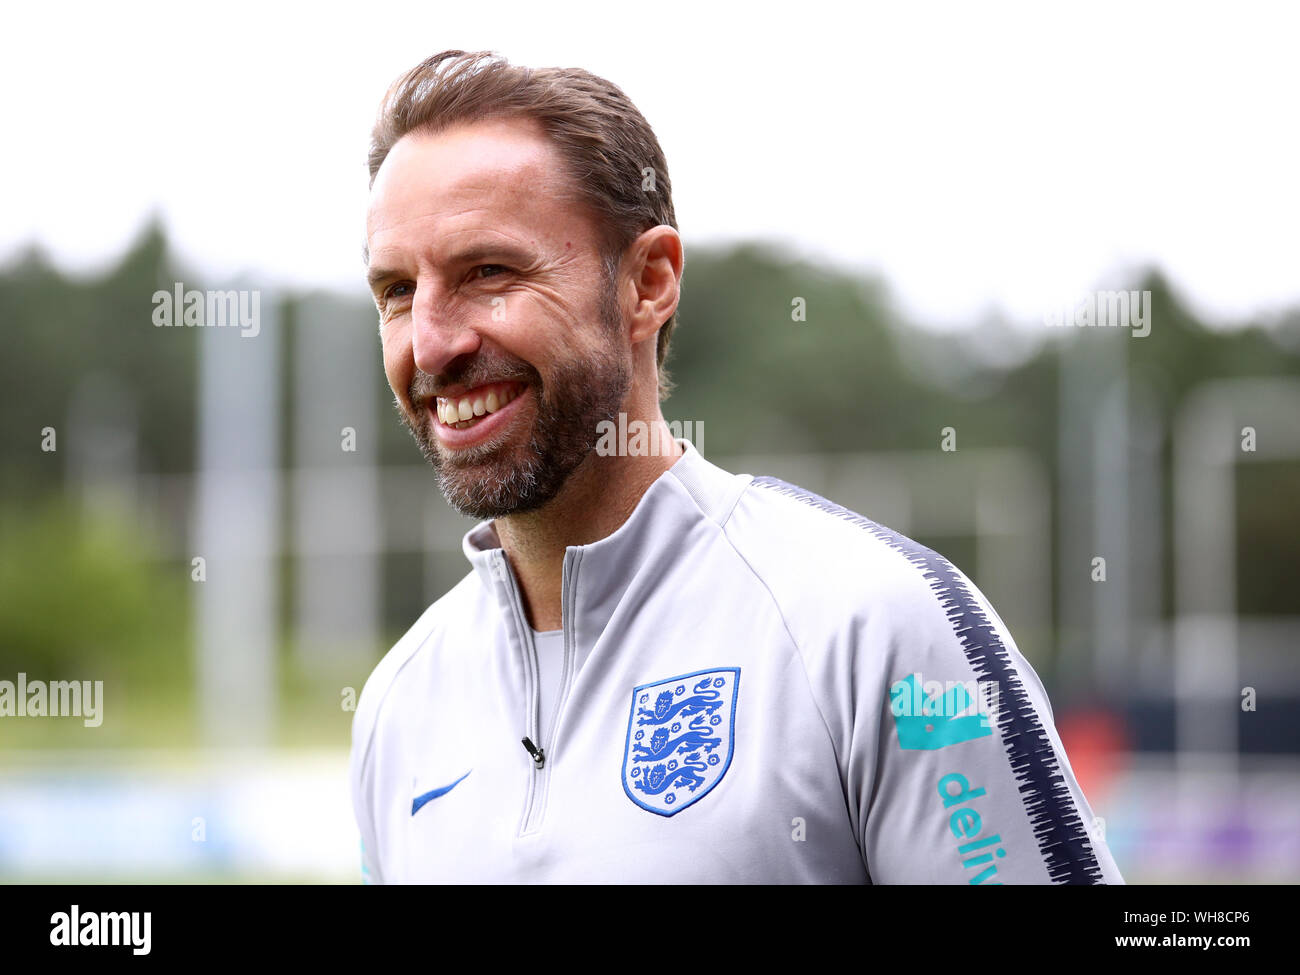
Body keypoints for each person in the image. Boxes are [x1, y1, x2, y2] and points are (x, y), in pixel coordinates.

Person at [350, 49, 1125, 884]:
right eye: (397, 291)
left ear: (648, 282)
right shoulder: (399, 704)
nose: (431, 341)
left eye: (488, 272)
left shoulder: (873, 628)